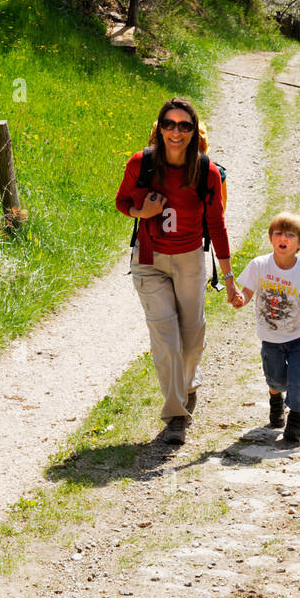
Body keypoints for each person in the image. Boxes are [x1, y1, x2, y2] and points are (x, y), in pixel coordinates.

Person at [116, 96, 241, 445]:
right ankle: (175, 414)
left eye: (184, 126)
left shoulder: (207, 172)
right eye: (169, 124)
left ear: (192, 132)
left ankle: (188, 383)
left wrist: (229, 280)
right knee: (166, 339)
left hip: (189, 259)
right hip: (149, 259)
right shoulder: (141, 163)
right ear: (159, 129)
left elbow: (217, 226)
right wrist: (143, 214)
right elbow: (121, 202)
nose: (176, 131)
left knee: (192, 337)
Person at [233, 212, 300, 444]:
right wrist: (241, 299)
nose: (284, 238)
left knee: (296, 381)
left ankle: (295, 420)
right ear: (271, 238)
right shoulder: (260, 265)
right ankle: (275, 399)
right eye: (279, 233)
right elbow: (247, 291)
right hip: (270, 338)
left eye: (290, 235)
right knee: (276, 380)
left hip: (298, 338)